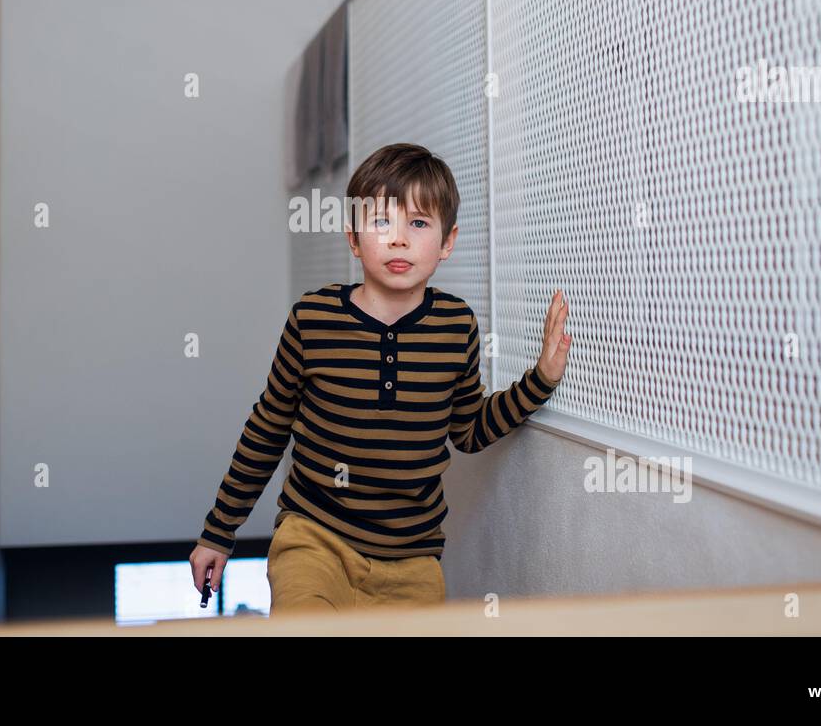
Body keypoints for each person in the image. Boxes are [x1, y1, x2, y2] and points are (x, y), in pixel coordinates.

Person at [190, 143, 572, 614]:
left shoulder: (456, 326)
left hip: (411, 560)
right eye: (380, 222)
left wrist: (541, 380)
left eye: (418, 223)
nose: (398, 239)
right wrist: (219, 531)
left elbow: (468, 430)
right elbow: (267, 430)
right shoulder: (313, 318)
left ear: (447, 242)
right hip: (314, 537)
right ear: (353, 239)